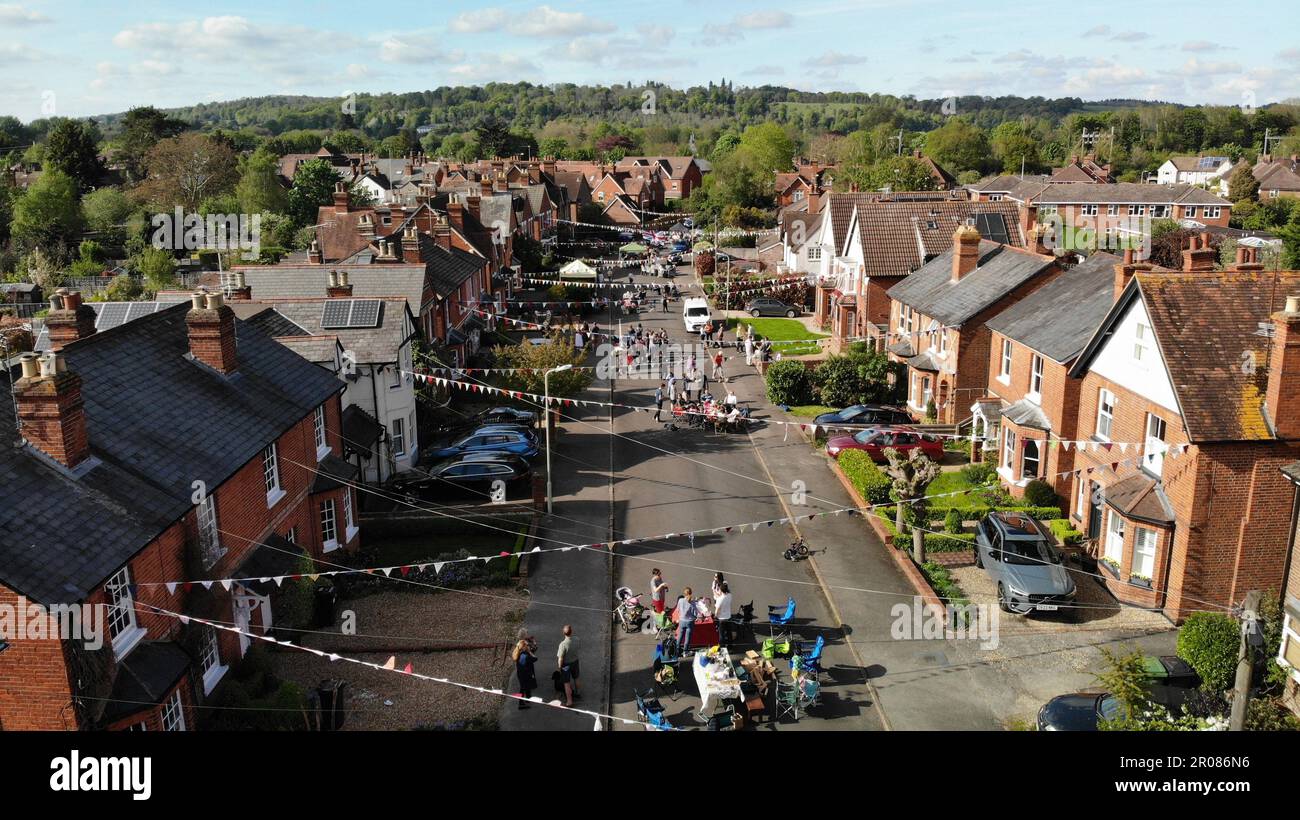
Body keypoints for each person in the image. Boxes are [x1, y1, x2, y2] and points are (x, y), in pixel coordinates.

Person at [557, 625, 580, 706]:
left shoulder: (562, 645)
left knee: (566, 683)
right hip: (575, 661)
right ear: (571, 631)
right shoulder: (577, 639)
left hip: (566, 665)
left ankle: (569, 701)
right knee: (576, 678)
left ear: (563, 633)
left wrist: (560, 667)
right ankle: (578, 692)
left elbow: (560, 658)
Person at [513, 637, 538, 709]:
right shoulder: (526, 656)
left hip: (520, 674)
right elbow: (535, 658)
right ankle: (521, 703)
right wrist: (530, 652)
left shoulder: (518, 654)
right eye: (527, 646)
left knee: (525, 687)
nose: (528, 647)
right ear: (523, 647)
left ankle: (528, 698)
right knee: (523, 688)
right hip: (526, 674)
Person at [675, 588, 697, 654]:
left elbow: (678, 610)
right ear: (691, 593)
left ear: (684, 593)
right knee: (687, 638)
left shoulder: (680, 600)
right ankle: (685, 651)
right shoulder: (692, 602)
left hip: (682, 621)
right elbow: (695, 613)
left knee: (680, 636)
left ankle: (677, 649)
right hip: (690, 622)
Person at [714, 582, 733, 647]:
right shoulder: (730, 595)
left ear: (721, 590)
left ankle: (722, 646)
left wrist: (715, 616)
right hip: (728, 617)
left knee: (721, 634)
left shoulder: (720, 599)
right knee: (729, 632)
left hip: (722, 619)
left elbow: (717, 610)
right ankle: (730, 646)